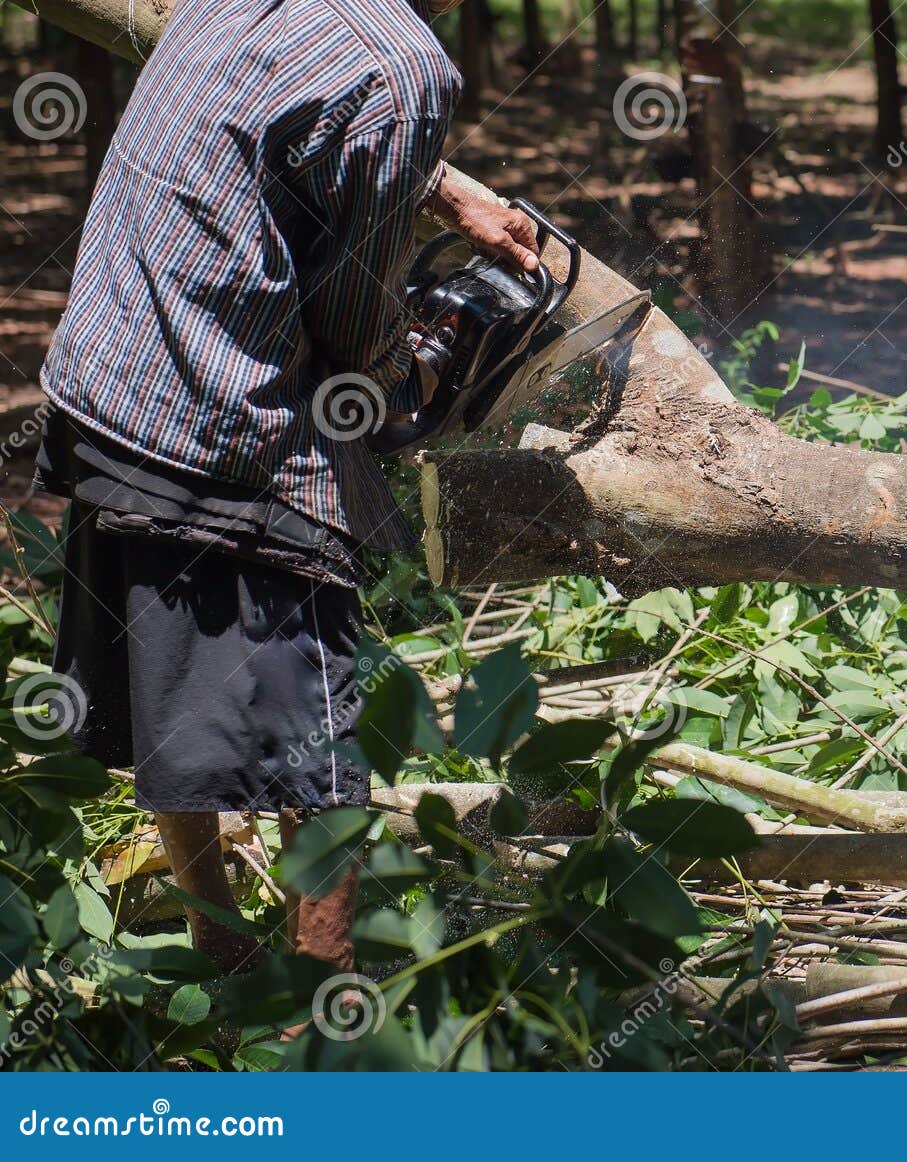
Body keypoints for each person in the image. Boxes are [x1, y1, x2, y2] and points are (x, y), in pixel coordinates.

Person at [33, 0, 541, 973]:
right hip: (214, 421)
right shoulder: (404, 69)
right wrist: (414, 371)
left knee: (161, 683)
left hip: (107, 380)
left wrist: (443, 188)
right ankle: (324, 1004)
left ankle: (217, 944)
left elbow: (280, 112)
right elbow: (348, 323)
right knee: (317, 746)